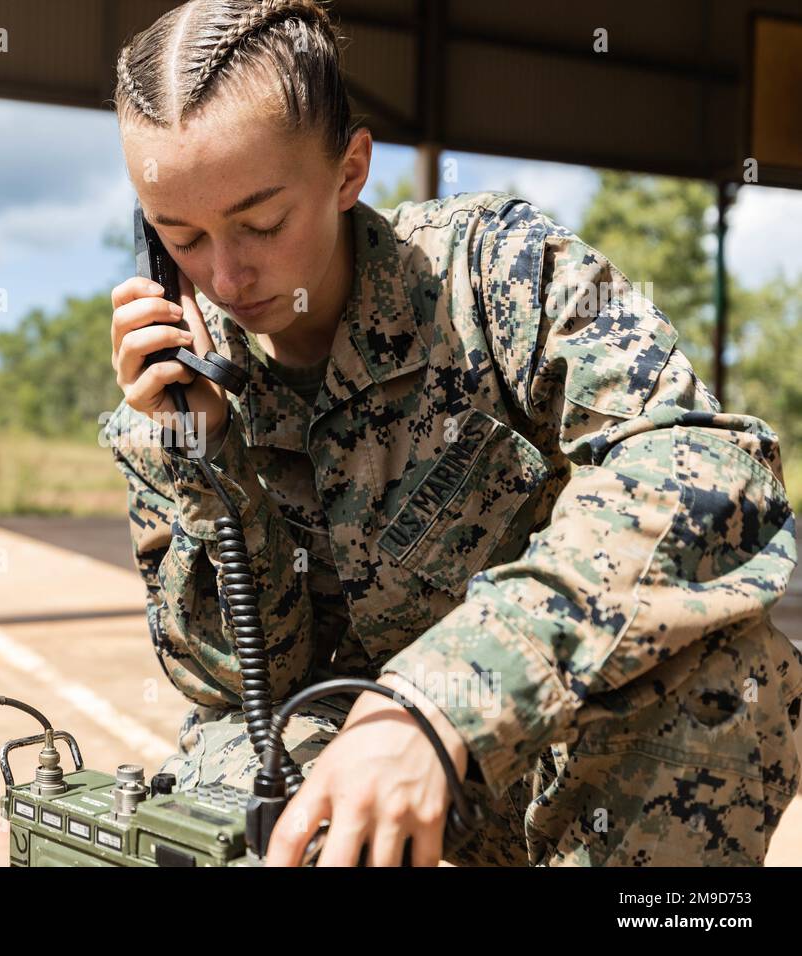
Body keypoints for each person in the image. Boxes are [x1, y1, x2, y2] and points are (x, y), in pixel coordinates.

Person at [103, 0, 802, 866]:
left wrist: (443, 696)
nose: (225, 274)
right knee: (225, 782)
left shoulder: (497, 270)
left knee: (729, 676)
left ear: (350, 169)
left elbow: (705, 469)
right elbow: (237, 688)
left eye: (262, 223)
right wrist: (205, 463)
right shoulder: (174, 389)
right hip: (357, 778)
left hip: (544, 746)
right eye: (181, 237)